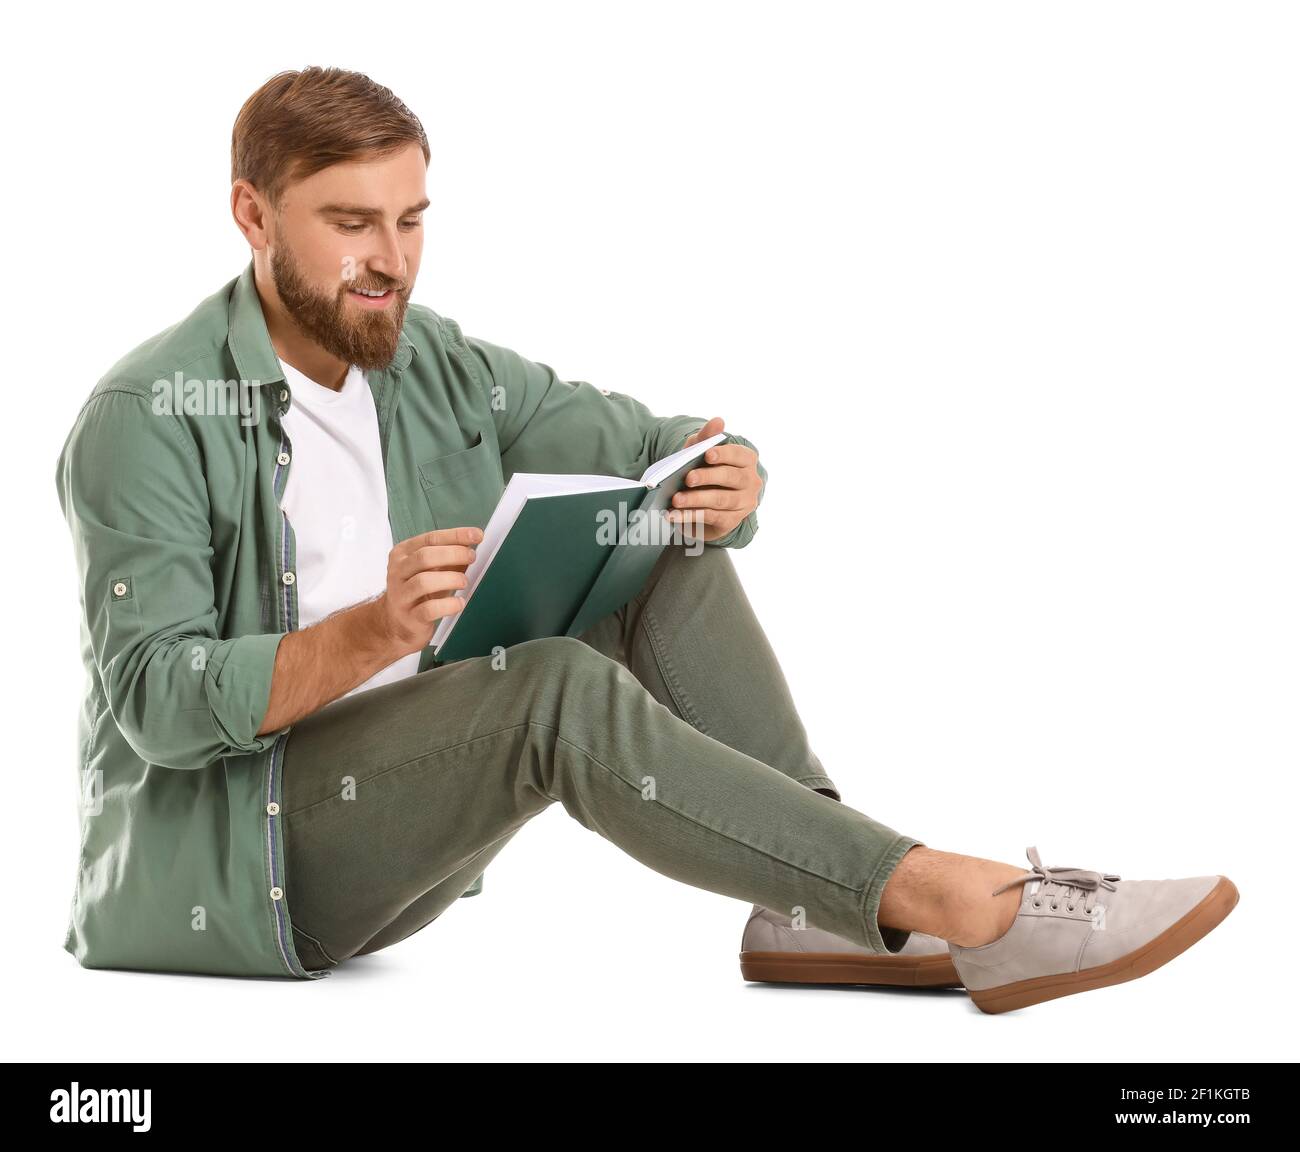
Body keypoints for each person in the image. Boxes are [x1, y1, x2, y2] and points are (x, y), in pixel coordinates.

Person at [54, 66, 1237, 1015]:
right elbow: (156, 703)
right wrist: (370, 628)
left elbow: (655, 440)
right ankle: (950, 897)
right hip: (252, 867)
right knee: (552, 691)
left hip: (402, 823)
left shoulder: (432, 360)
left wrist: (726, 476)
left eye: (412, 220)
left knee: (655, 525)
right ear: (251, 214)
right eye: (350, 224)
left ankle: (824, 904)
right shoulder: (148, 417)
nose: (391, 262)